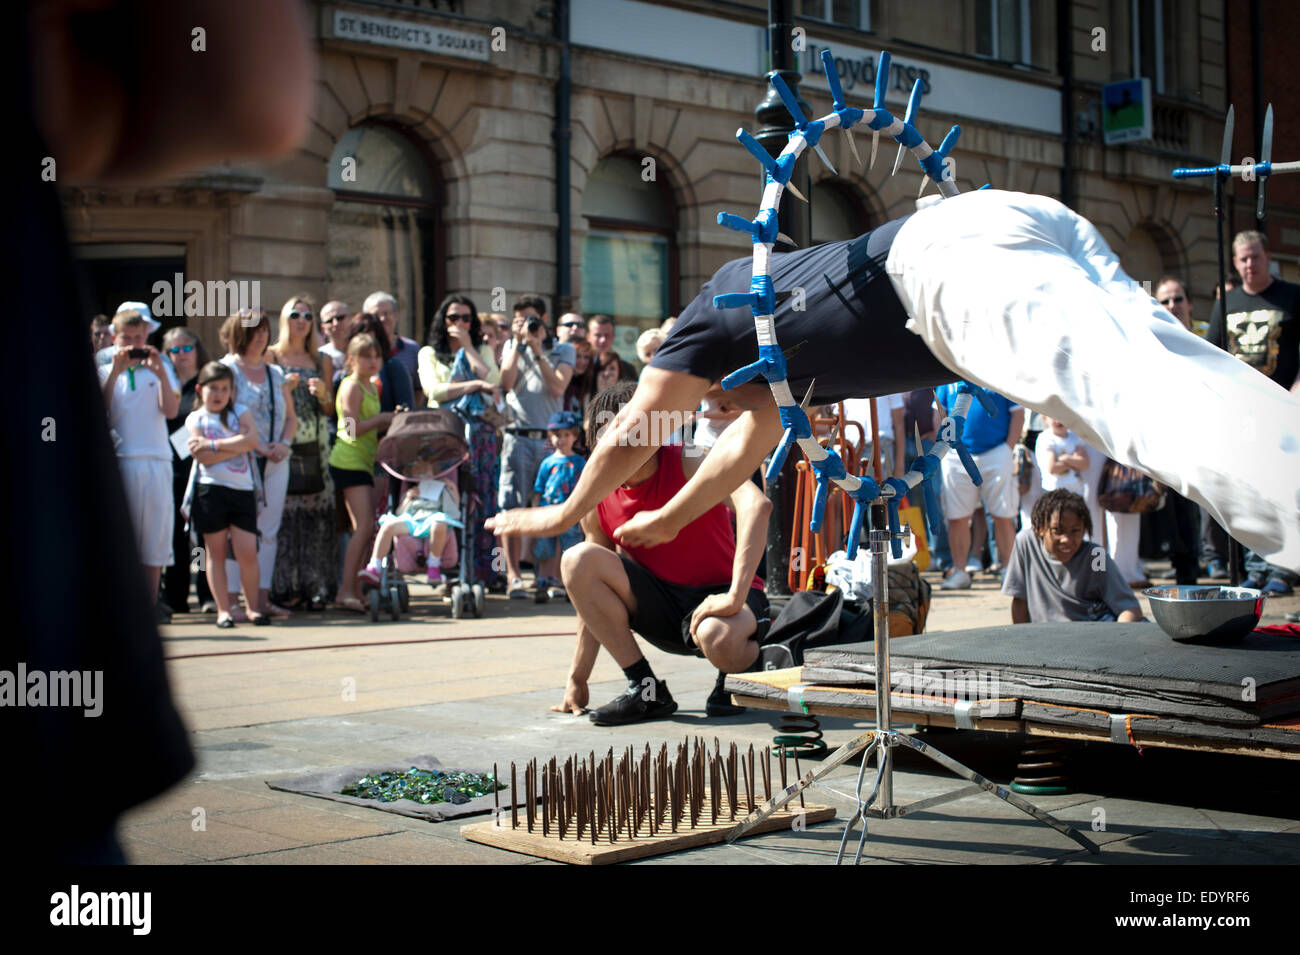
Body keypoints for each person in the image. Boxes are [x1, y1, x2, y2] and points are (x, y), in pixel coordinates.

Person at [487, 191, 1300, 590]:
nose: (707, 412)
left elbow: (639, 421)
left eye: (701, 401)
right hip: (1008, 230)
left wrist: (561, 516)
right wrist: (670, 516)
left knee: (1137, 403)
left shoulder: (705, 318)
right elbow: (749, 444)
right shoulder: (766, 354)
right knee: (1162, 360)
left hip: (944, 269)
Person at [549, 383, 770, 725]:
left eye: (633, 432)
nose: (623, 445)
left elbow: (757, 506)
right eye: (611, 436)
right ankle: (647, 689)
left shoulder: (691, 458)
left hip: (727, 602)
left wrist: (734, 597)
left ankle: (750, 666)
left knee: (718, 638)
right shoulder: (596, 495)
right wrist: (577, 679)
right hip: (664, 608)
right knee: (578, 559)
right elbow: (588, 594)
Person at [1208, 230, 1300, 595]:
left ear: (1267, 257)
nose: (1249, 264)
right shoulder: (1226, 303)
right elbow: (1213, 356)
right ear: (1234, 262)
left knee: (1281, 488)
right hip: (1242, 414)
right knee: (1248, 489)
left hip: (1283, 408)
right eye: (1243, 259)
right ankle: (1253, 568)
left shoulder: (1292, 296)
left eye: (1255, 257)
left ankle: (1282, 567)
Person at [99, 308, 180, 622]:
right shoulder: (103, 367)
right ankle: (120, 604)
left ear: (147, 336)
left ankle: (149, 605)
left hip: (157, 460)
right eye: (126, 338)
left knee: (156, 537)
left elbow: (171, 410)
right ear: (115, 338)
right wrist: (116, 372)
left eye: (138, 337)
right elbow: (101, 413)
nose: (133, 343)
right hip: (122, 461)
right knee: (123, 537)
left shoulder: (161, 367)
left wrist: (160, 372)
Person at [419, 293, 503, 588]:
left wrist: (468, 347)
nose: (460, 323)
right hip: (445, 435)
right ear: (443, 321)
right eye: (453, 318)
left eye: (466, 318)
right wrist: (475, 385)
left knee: (482, 499)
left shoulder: (480, 348)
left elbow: (493, 381)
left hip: (479, 436)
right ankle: (446, 567)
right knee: (449, 497)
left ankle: (482, 571)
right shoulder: (429, 353)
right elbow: (434, 390)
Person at [220, 308, 297, 619]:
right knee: (236, 532)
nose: (262, 336)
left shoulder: (275, 374)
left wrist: (285, 444)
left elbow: (290, 418)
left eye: (265, 330)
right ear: (240, 334)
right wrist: (256, 445)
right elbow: (219, 417)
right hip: (239, 462)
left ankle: (260, 599)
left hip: (275, 462)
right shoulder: (227, 370)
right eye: (254, 330)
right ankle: (232, 601)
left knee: (268, 530)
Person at [497, 294, 575, 597]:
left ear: (543, 320)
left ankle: (548, 577)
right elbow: (505, 383)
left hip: (550, 440)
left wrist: (538, 350)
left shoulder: (563, 348)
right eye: (519, 320)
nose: (524, 325)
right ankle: (513, 576)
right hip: (516, 436)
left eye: (529, 320)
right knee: (512, 506)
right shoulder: (511, 346)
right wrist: (517, 345)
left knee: (551, 508)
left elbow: (557, 386)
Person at [184, 362, 267, 628]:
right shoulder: (195, 418)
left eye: (224, 389)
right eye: (213, 389)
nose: (219, 394)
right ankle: (224, 610)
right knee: (214, 553)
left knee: (247, 553)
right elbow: (202, 458)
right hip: (210, 491)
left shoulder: (241, 412)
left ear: (232, 392)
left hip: (242, 491)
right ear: (200, 390)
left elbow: (252, 441)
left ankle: (253, 607)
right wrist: (236, 445)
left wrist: (213, 444)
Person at [267, 294, 337, 611]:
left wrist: (323, 393)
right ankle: (282, 587)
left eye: (308, 317)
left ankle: (316, 586)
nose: (302, 322)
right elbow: (264, 403)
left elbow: (332, 409)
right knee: (282, 515)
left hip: (317, 442)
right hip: (285, 440)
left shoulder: (321, 359)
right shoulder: (271, 356)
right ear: (284, 319)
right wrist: (285, 391)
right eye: (296, 315)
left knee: (315, 517)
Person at [1002, 489, 1144, 624]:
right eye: (1057, 530)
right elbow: (1019, 600)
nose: (1066, 540)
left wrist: (1117, 639)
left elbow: (1130, 609)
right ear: (1040, 529)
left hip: (1097, 631)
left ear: (1084, 530)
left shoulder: (1096, 556)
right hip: (1050, 638)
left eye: (1075, 531)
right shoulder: (1026, 544)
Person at [330, 333, 395, 612]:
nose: (373, 361)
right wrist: (382, 419)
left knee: (367, 528)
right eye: (366, 356)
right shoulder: (352, 386)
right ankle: (345, 590)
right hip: (348, 461)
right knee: (365, 526)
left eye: (376, 356)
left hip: (363, 461)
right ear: (352, 360)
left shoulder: (371, 385)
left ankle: (355, 589)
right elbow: (351, 428)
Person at [935, 383, 1022, 590]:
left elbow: (1018, 414)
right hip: (957, 454)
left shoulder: (998, 373)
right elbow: (939, 413)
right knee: (957, 516)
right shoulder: (947, 374)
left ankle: (1009, 571)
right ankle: (960, 571)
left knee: (1003, 515)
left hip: (996, 451)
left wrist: (1006, 449)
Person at [162, 325, 214, 614]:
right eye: (175, 350)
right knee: (175, 537)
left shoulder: (206, 383)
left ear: (197, 350)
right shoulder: (163, 383)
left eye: (187, 348)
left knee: (202, 537)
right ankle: (176, 596)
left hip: (202, 469)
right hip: (171, 470)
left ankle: (206, 593)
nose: (181, 355)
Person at [360, 447, 461, 588]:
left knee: (440, 522)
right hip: (412, 521)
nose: (422, 472)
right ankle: (374, 566)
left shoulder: (442, 487)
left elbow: (455, 509)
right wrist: (408, 498)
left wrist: (452, 488)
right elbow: (400, 513)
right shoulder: (410, 490)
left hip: (434, 519)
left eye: (426, 469)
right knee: (388, 525)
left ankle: (433, 565)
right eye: (418, 470)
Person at [530, 410, 586, 601]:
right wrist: (535, 514)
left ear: (575, 437)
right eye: (556, 435)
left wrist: (583, 517)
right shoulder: (547, 463)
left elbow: (584, 490)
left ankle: (568, 584)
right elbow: (538, 490)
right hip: (548, 512)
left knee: (570, 549)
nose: (561, 440)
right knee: (545, 548)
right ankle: (544, 581)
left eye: (566, 435)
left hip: (570, 513)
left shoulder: (579, 462)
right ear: (550, 437)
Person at [364, 290, 423, 406]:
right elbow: (349, 418)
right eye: (376, 315)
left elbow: (419, 389)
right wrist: (379, 420)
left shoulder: (410, 352)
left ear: (396, 315)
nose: (382, 319)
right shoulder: (351, 381)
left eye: (386, 313)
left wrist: (409, 416)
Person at [1035, 416, 1089, 497]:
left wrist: (1066, 459)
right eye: (1054, 417)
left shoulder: (1075, 437)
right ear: (1045, 418)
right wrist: (1074, 460)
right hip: (1054, 491)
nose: (1059, 420)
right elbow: (1052, 468)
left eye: (1061, 415)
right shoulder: (1046, 438)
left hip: (1077, 491)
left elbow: (1085, 464)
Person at [588, 314, 637, 379]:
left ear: (613, 337)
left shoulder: (628, 370)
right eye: (598, 335)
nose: (603, 340)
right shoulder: (581, 367)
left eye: (607, 335)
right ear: (588, 337)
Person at [318, 300, 350, 374]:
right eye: (329, 320)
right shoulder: (319, 356)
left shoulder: (363, 350)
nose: (335, 323)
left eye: (340, 318)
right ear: (323, 328)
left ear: (350, 319)